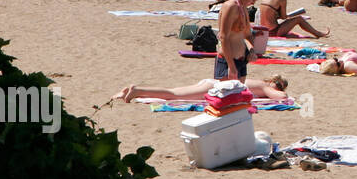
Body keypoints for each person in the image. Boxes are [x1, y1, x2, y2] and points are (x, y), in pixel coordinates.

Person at [216, 0, 265, 81]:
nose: (253, 3)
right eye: (253, 0)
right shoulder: (230, 7)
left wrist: (252, 50)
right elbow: (224, 37)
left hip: (241, 60)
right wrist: (231, 66)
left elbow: (247, 35)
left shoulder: (243, 9)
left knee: (240, 95)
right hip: (228, 60)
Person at [115, 75, 290, 103]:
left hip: (212, 84)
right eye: (279, 85)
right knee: (173, 94)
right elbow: (281, 97)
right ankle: (136, 90)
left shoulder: (257, 82)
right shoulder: (264, 86)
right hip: (214, 87)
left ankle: (126, 91)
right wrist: (283, 91)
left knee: (174, 91)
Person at [259, 0, 329, 37]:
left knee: (295, 18)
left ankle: (318, 33)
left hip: (263, 30)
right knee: (299, 19)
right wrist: (290, 16)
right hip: (272, 32)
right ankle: (318, 33)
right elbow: (283, 17)